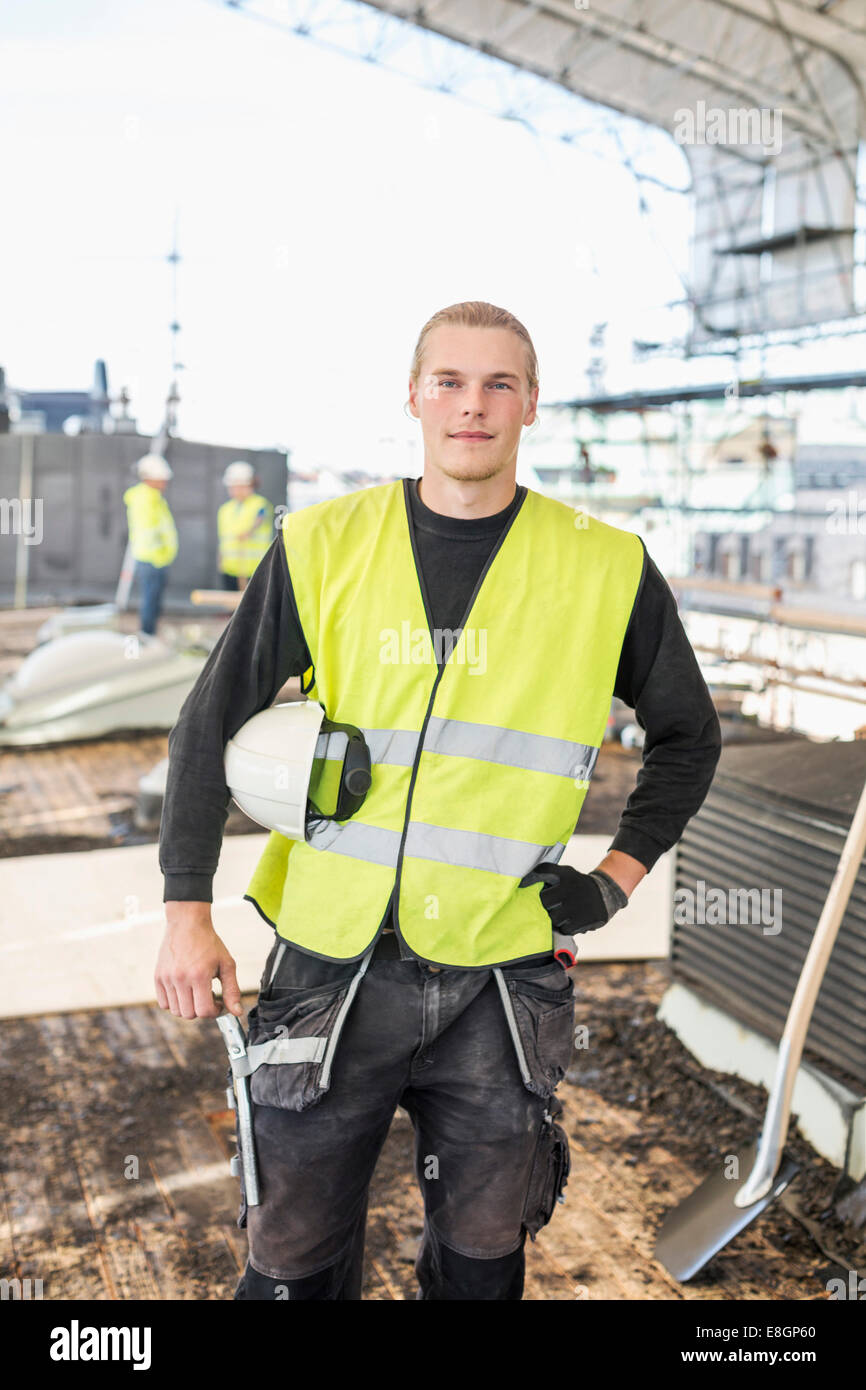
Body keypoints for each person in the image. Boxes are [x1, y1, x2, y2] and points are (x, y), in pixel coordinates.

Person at [155, 300, 722, 1301]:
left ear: (531, 404)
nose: (473, 406)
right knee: (288, 1260)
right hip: (329, 967)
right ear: (412, 396)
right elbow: (207, 724)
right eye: (449, 382)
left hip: (499, 980)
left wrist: (612, 881)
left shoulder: (603, 565)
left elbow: (688, 736)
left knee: (480, 1259)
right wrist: (185, 915)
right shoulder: (324, 541)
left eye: (498, 383)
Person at [123, 454, 178, 637]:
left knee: (154, 601)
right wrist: (161, 553)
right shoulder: (145, 499)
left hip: (158, 558)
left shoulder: (154, 497)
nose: (164, 482)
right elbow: (150, 531)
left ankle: (150, 633)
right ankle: (147, 635)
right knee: (150, 600)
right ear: (149, 477)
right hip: (152, 559)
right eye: (161, 478)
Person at [217, 461, 274, 592]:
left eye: (240, 486)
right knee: (233, 608)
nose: (236, 490)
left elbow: (260, 518)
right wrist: (220, 560)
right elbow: (223, 539)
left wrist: (249, 531)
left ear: (250, 485)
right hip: (229, 568)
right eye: (233, 487)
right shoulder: (225, 509)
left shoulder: (260, 504)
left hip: (253, 569)